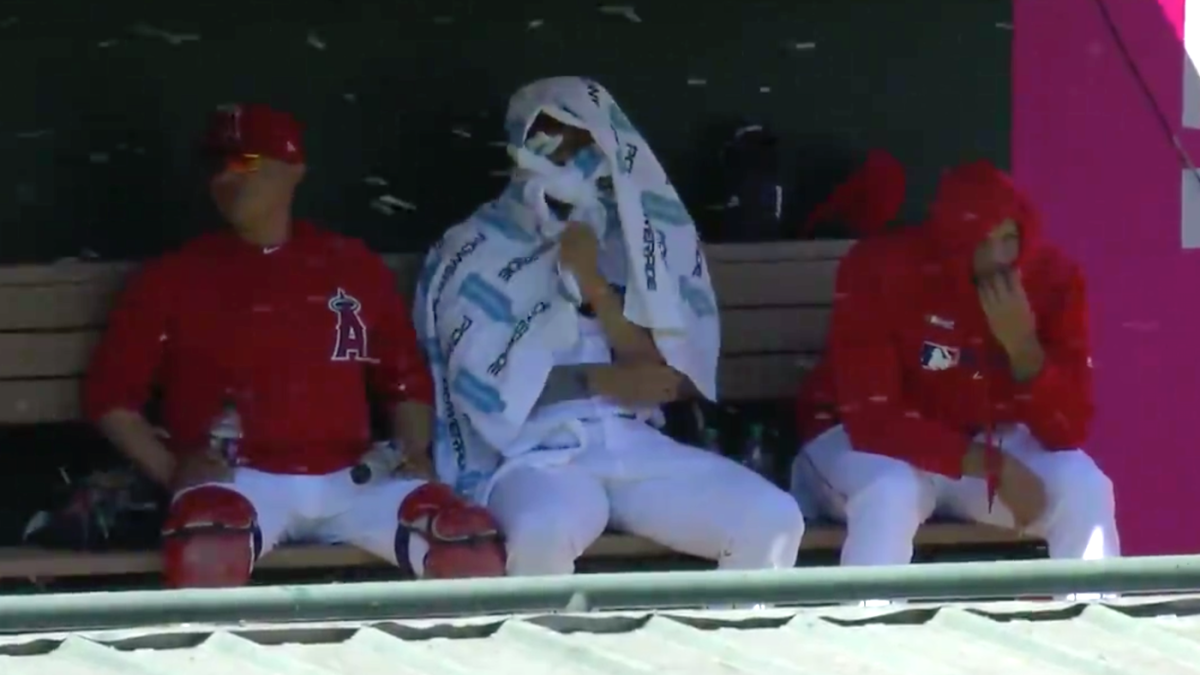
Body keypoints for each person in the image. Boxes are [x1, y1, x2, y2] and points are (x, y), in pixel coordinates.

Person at [83, 103, 505, 587]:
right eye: (217, 166)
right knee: (206, 544)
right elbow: (111, 399)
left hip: (357, 479)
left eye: (245, 162)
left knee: (465, 543)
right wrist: (172, 470)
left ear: (293, 169)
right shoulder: (170, 278)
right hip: (241, 483)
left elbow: (405, 382)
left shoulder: (351, 265)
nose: (227, 177)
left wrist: (411, 448)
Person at [415, 77, 805, 577]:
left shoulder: (621, 239)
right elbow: (480, 395)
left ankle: (728, 650)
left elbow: (659, 373)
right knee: (542, 533)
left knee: (771, 519)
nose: (577, 157)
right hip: (538, 455)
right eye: (558, 140)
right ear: (524, 142)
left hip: (633, 444)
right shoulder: (475, 247)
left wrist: (592, 281)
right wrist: (595, 380)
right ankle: (534, 654)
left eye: (590, 143)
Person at [791, 159, 1120, 567]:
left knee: (1083, 486)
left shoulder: (1052, 280)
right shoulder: (880, 268)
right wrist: (993, 466)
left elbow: (1069, 428)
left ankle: (1091, 622)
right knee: (892, 492)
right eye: (981, 241)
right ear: (950, 241)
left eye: (1009, 238)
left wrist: (1024, 350)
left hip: (984, 443)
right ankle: (868, 625)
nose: (1000, 257)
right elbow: (873, 420)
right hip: (864, 444)